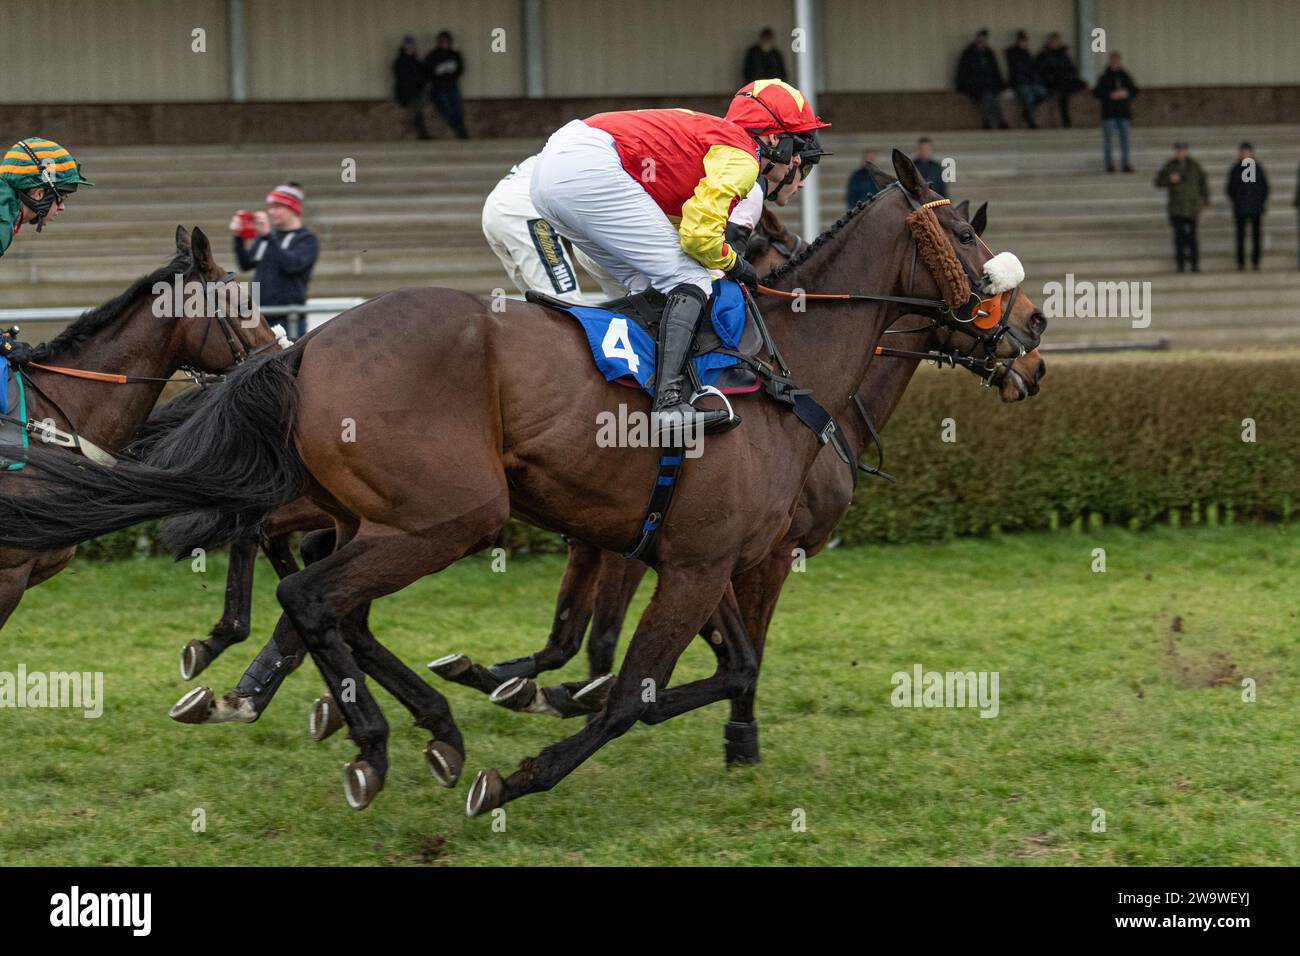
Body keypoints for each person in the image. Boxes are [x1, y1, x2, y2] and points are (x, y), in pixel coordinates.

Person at [529, 79, 827, 435]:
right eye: (798, 147)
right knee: (691, 279)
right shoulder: (744, 156)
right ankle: (669, 407)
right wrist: (736, 264)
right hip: (586, 168)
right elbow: (700, 239)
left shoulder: (717, 138)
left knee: (655, 285)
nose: (798, 166)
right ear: (775, 139)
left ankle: (589, 347)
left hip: (554, 173)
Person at [228, 182, 319, 338]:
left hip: (288, 316)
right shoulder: (268, 237)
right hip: (260, 315)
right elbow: (245, 264)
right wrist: (238, 237)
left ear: (293, 208)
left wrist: (268, 236)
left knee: (288, 360)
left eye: (278, 207)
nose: (272, 212)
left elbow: (292, 266)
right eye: (270, 207)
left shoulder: (306, 239)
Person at [0, 137, 92, 260]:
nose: (62, 207)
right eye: (61, 197)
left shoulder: (7, 210)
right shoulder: (3, 223)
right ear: (38, 194)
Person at [1154, 143, 1208, 273]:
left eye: (1183, 150)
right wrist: (1169, 179)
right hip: (1176, 208)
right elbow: (1158, 182)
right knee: (1179, 238)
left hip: (1191, 207)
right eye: (1179, 151)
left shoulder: (1195, 166)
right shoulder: (1169, 165)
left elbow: (1203, 184)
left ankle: (1194, 264)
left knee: (1192, 238)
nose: (1181, 153)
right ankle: (1181, 265)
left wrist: (1205, 203)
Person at [1225, 142, 1269, 271]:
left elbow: (1264, 187)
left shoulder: (1257, 168)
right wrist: (1237, 200)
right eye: (1243, 152)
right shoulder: (1236, 169)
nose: (1245, 154)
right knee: (1240, 236)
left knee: (1256, 236)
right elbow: (1230, 188)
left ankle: (1255, 262)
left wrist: (1259, 202)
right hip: (1240, 208)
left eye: (1248, 152)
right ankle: (1241, 263)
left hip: (1255, 208)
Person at [1094, 51, 1138, 173]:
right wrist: (1110, 95)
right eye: (1113, 61)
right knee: (1108, 141)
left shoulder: (1125, 76)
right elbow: (1097, 93)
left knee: (1125, 141)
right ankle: (1109, 165)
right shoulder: (1104, 77)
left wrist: (1125, 93)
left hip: (1123, 113)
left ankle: (1126, 164)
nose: (1115, 63)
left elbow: (1134, 90)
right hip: (1109, 113)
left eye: (1117, 61)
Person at [956, 29, 1007, 130]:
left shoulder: (989, 53)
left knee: (990, 98)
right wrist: (961, 86)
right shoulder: (968, 53)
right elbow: (962, 71)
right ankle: (994, 121)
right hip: (974, 86)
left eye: (984, 38)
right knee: (988, 97)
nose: (981, 40)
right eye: (980, 38)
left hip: (989, 86)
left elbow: (996, 70)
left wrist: (1001, 85)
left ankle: (993, 122)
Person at [426, 30, 467, 139]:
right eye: (442, 41)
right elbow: (428, 71)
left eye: (446, 41)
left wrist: (451, 74)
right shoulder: (433, 55)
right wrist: (439, 73)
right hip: (439, 87)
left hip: (452, 85)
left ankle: (461, 128)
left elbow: (460, 69)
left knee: (457, 108)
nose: (444, 43)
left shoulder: (455, 55)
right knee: (446, 108)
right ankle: (457, 128)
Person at [1035, 32, 1081, 128]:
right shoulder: (1044, 55)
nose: (1055, 43)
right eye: (1053, 41)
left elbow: (1071, 69)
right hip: (1050, 82)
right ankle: (1065, 121)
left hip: (1063, 81)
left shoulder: (1064, 55)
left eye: (1057, 41)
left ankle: (1066, 122)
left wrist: (1069, 76)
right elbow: (1039, 70)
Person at [393, 35, 431, 140]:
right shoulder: (400, 62)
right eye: (408, 48)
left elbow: (424, 76)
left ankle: (421, 128)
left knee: (419, 104)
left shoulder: (417, 62)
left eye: (412, 47)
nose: (410, 50)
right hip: (406, 93)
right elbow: (404, 79)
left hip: (417, 92)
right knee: (417, 107)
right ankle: (420, 129)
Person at [1005, 30, 1046, 129]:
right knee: (1029, 98)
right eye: (1022, 41)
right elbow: (1015, 70)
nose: (1024, 43)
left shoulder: (1027, 53)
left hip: (1030, 82)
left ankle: (1027, 112)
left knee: (1043, 93)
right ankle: (1032, 122)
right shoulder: (1013, 53)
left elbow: (1032, 68)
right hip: (1020, 83)